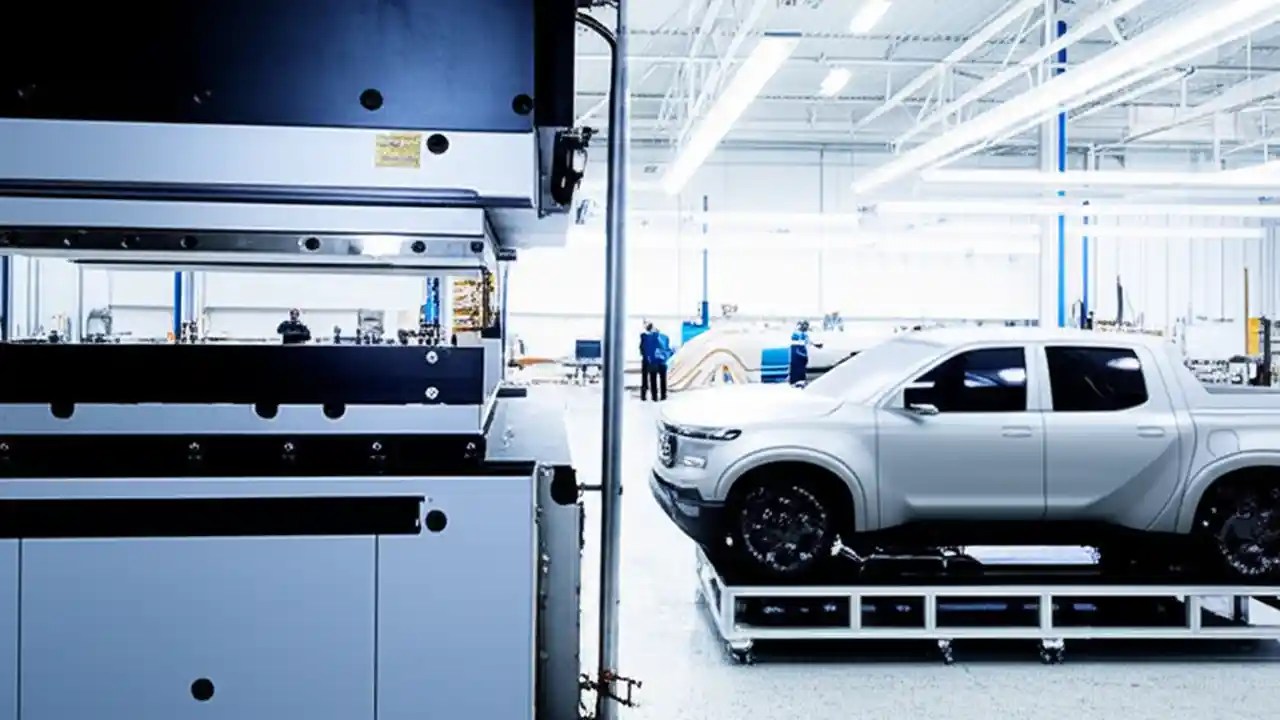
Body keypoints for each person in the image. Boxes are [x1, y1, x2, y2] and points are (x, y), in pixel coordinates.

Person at [639, 322, 671, 401]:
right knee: (662, 379)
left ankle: (653, 397)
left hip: (650, 361)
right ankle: (663, 396)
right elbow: (667, 349)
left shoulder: (646, 338)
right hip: (662, 361)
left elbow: (643, 350)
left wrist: (647, 357)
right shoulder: (663, 337)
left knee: (651, 379)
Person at [788, 319, 822, 385]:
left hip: (801, 351)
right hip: (797, 351)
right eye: (805, 326)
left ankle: (800, 380)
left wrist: (816, 345)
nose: (806, 328)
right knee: (797, 367)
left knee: (802, 366)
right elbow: (798, 342)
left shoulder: (804, 334)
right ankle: (796, 381)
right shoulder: (797, 334)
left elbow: (808, 342)